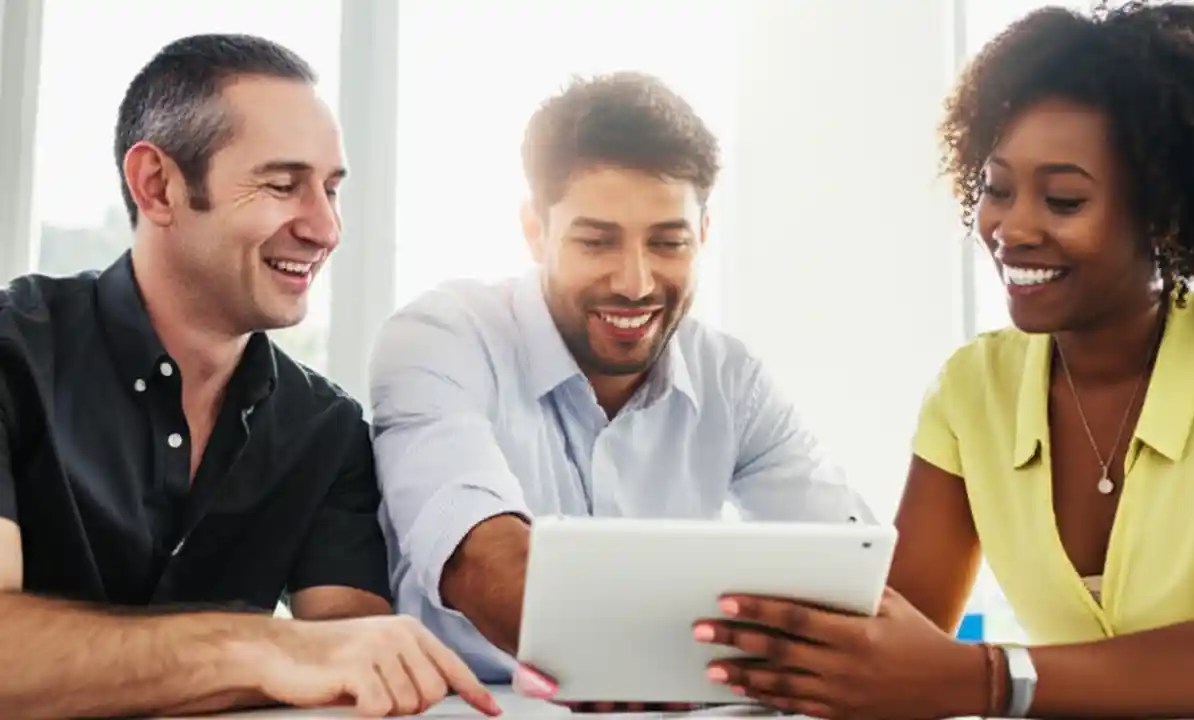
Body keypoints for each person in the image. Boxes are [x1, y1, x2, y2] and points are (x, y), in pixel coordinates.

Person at [690, 3, 1194, 719]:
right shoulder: (976, 390)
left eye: (1063, 199)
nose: (1014, 228)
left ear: (1165, 213)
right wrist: (693, 670)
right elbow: (894, 640)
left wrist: (987, 680)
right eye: (997, 189)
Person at [0, 34, 499, 719]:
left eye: (330, 189)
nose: (325, 228)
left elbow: (353, 657)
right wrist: (263, 650)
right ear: (158, 185)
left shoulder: (326, 430)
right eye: (281, 185)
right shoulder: (11, 355)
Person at [370, 71, 874, 691]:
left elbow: (849, 570)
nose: (635, 282)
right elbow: (481, 561)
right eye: (597, 241)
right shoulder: (442, 337)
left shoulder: (731, 379)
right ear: (536, 230)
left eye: (668, 243)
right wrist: (651, 668)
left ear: (704, 236)